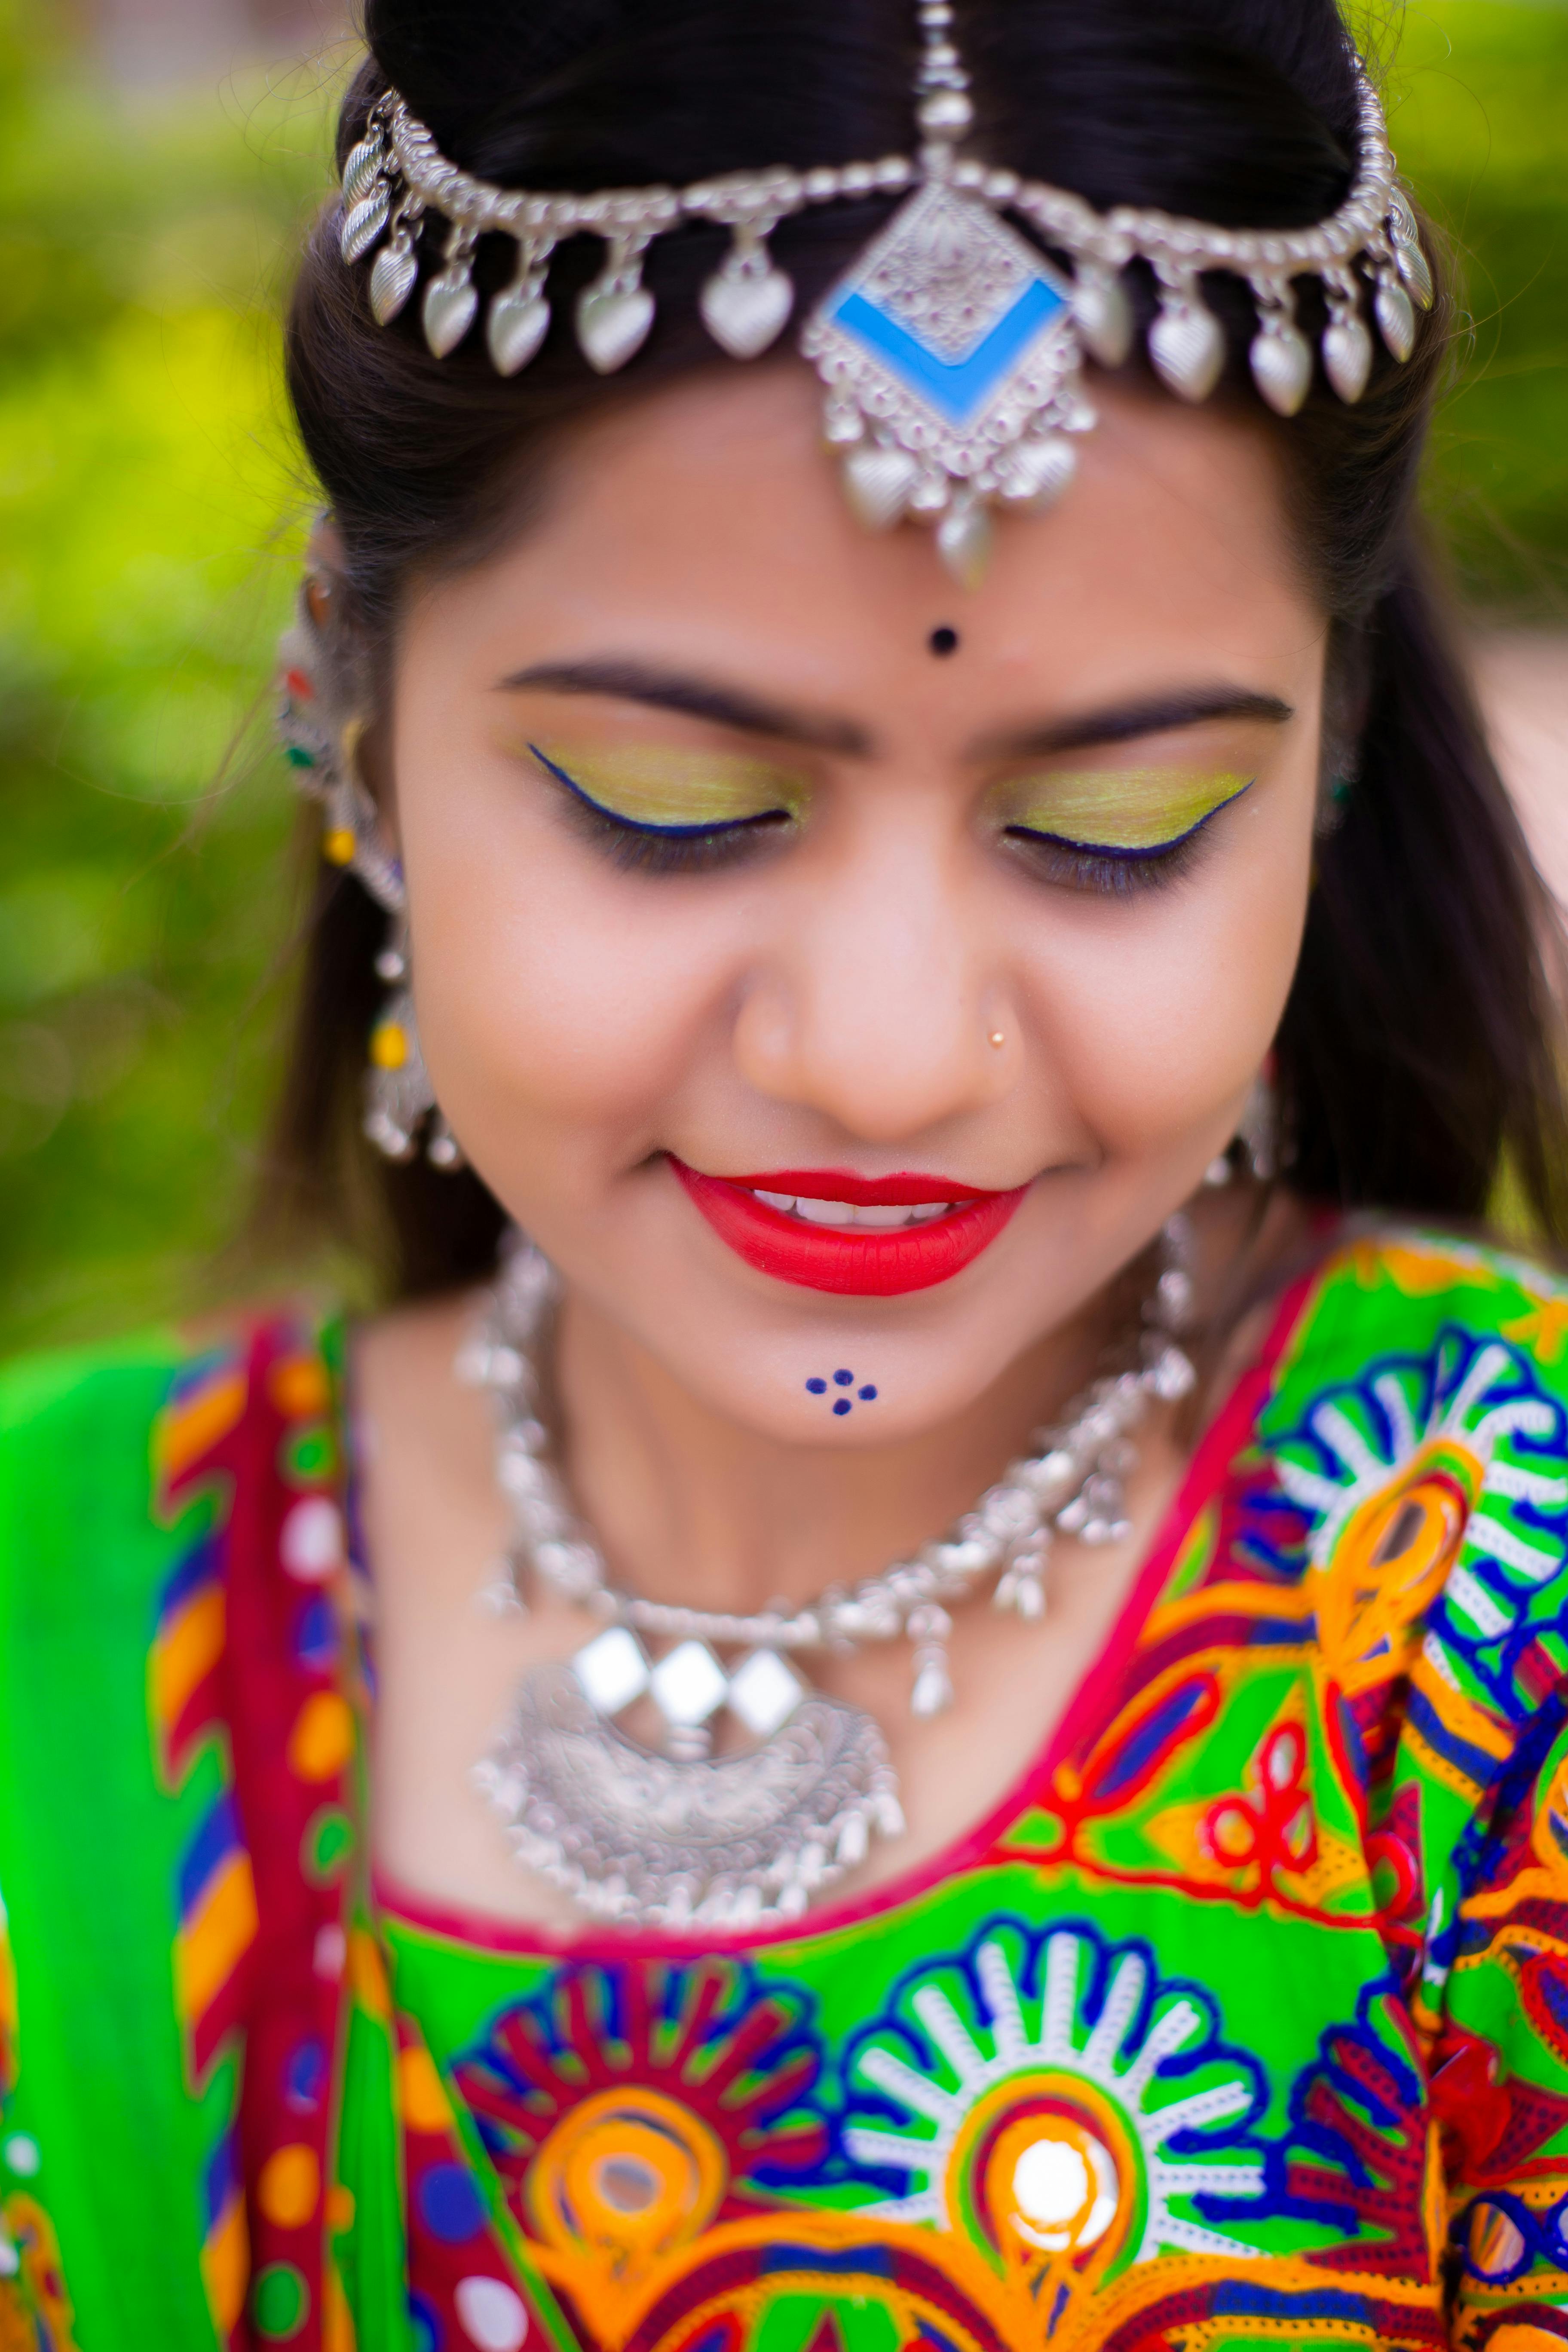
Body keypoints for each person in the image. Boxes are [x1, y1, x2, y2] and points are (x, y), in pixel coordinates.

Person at [5, 0, 1568, 2344]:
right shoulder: (63, 1613)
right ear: (351, 709)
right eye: (672, 805)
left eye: (1115, 829)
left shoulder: (1495, 1635)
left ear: (1329, 766)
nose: (886, 1056)